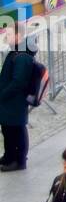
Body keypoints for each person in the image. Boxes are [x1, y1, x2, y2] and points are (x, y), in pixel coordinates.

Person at [0, 24, 36, 173]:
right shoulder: (15, 52)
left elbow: (18, 82)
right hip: (9, 101)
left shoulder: (22, 57)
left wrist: (2, 94)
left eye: (8, 34)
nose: (5, 37)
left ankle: (19, 160)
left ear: (18, 36)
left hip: (15, 101)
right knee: (7, 129)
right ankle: (9, 156)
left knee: (17, 129)